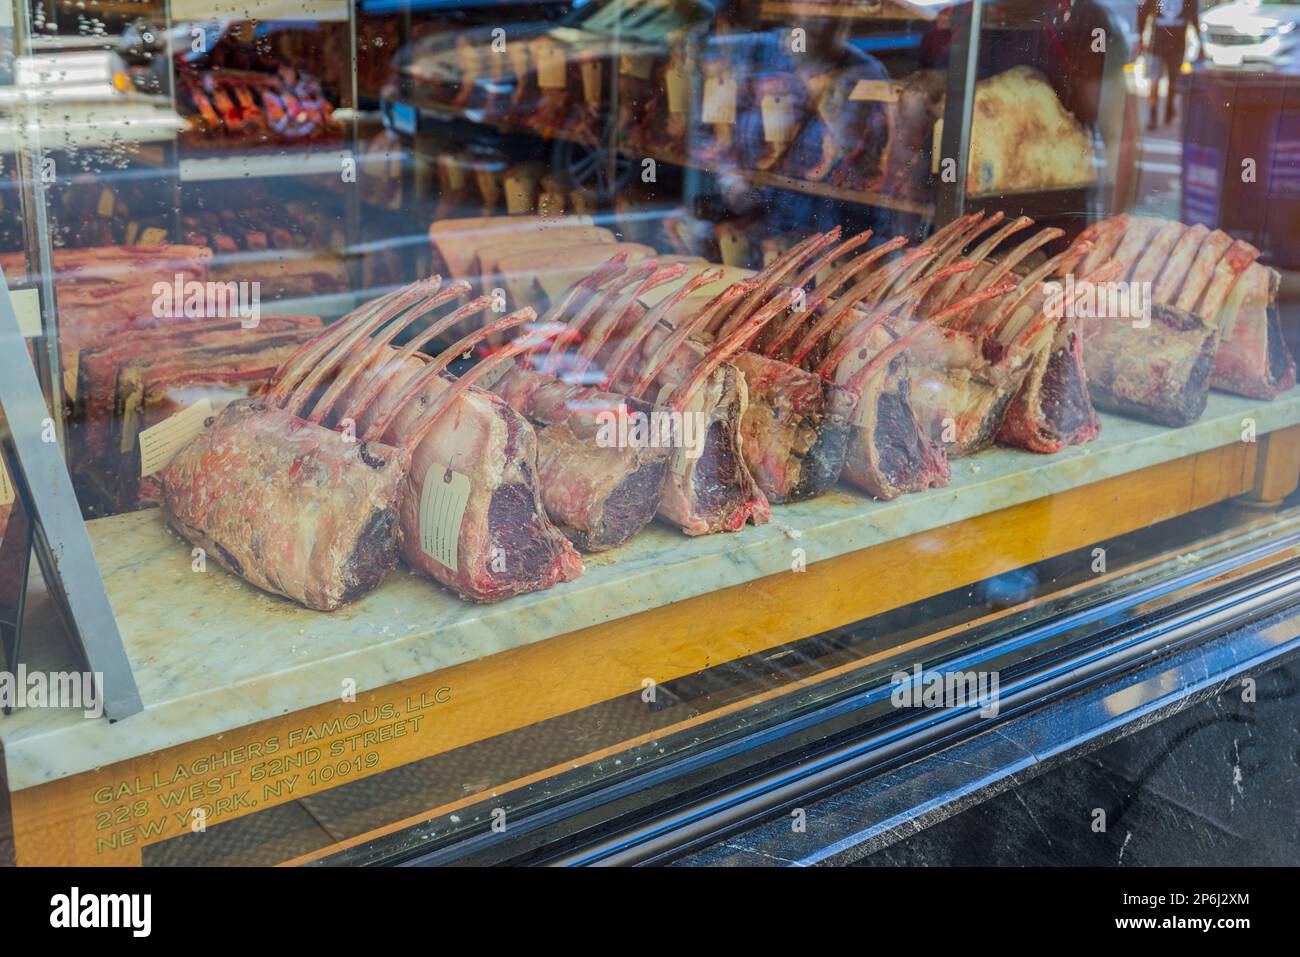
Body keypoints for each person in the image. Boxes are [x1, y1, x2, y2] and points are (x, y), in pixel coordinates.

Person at [1137, 0, 1201, 129]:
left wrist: (1141, 37)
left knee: (1158, 80)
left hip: (1161, 44)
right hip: (1172, 45)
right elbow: (1194, 18)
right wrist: (1200, 39)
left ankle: (1157, 114)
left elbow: (1143, 14)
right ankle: (1164, 112)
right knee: (1169, 80)